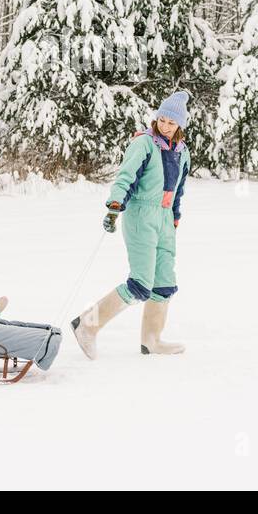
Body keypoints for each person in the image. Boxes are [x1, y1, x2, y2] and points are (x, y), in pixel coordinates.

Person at [71, 89, 191, 359]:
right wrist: (115, 207)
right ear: (157, 118)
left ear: (180, 125)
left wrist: (174, 218)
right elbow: (125, 177)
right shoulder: (144, 144)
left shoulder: (183, 152)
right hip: (140, 215)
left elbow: (179, 190)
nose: (166, 125)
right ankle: (86, 326)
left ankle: (152, 341)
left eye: (172, 122)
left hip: (165, 219)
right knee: (141, 283)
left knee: (163, 283)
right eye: (162, 119)